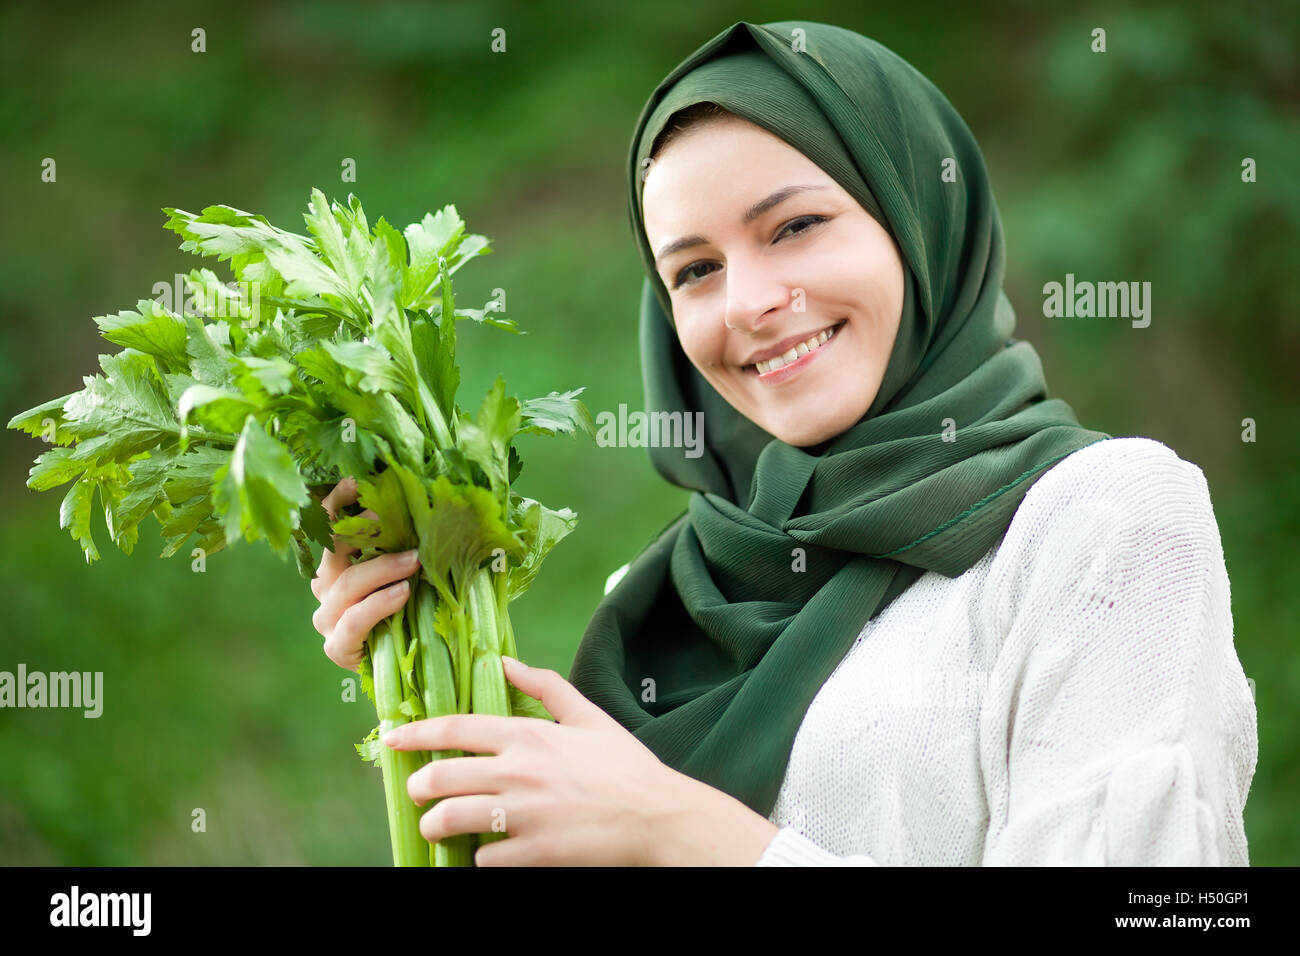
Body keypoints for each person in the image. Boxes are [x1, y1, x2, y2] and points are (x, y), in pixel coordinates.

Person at [310, 20, 1257, 865]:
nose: (751, 302)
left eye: (796, 226)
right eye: (695, 270)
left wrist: (688, 836)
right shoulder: (675, 598)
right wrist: (423, 663)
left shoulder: (1103, 522)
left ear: (917, 220)